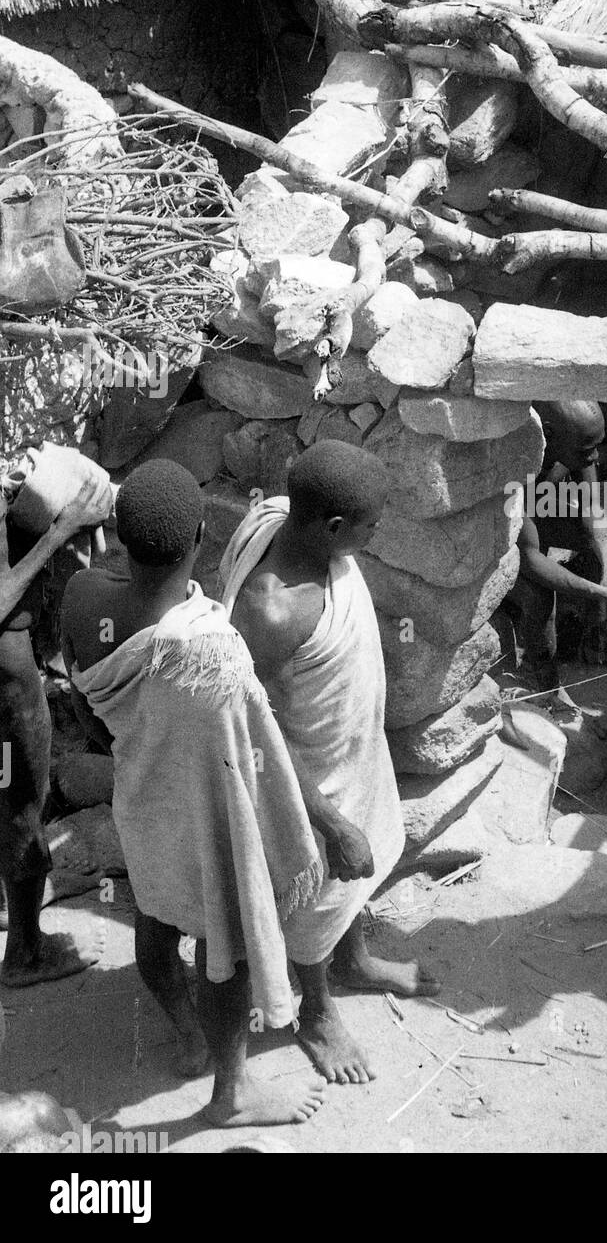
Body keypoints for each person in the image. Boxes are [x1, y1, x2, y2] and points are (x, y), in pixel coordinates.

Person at [63, 460, 327, 1127]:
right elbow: (254, 758)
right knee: (224, 949)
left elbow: (94, 713)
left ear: (119, 538)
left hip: (141, 800)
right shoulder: (216, 653)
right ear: (202, 537)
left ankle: (186, 1033)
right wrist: (324, 828)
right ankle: (229, 1097)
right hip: (203, 819)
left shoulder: (81, 599)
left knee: (153, 924)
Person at [221, 441, 439, 1087]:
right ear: (335, 529)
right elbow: (249, 724)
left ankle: (355, 960)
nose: (380, 533)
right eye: (372, 526)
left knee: (348, 891)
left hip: (348, 751)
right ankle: (315, 1011)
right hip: (310, 784)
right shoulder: (271, 608)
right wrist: (327, 822)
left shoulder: (292, 517)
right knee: (317, 894)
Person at [0, 453, 110, 987]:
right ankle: (26, 952)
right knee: (22, 807)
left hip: (10, 684)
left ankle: (16, 898)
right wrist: (60, 532)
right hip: (5, 702)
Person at [504, 400, 607, 708]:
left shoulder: (570, 441)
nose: (595, 456)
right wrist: (600, 590)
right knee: (539, 595)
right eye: (586, 450)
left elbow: (593, 509)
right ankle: (548, 689)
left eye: (596, 446)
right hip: (502, 540)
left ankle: (596, 641)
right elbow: (531, 557)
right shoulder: (515, 459)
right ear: (547, 433)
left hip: (539, 512)